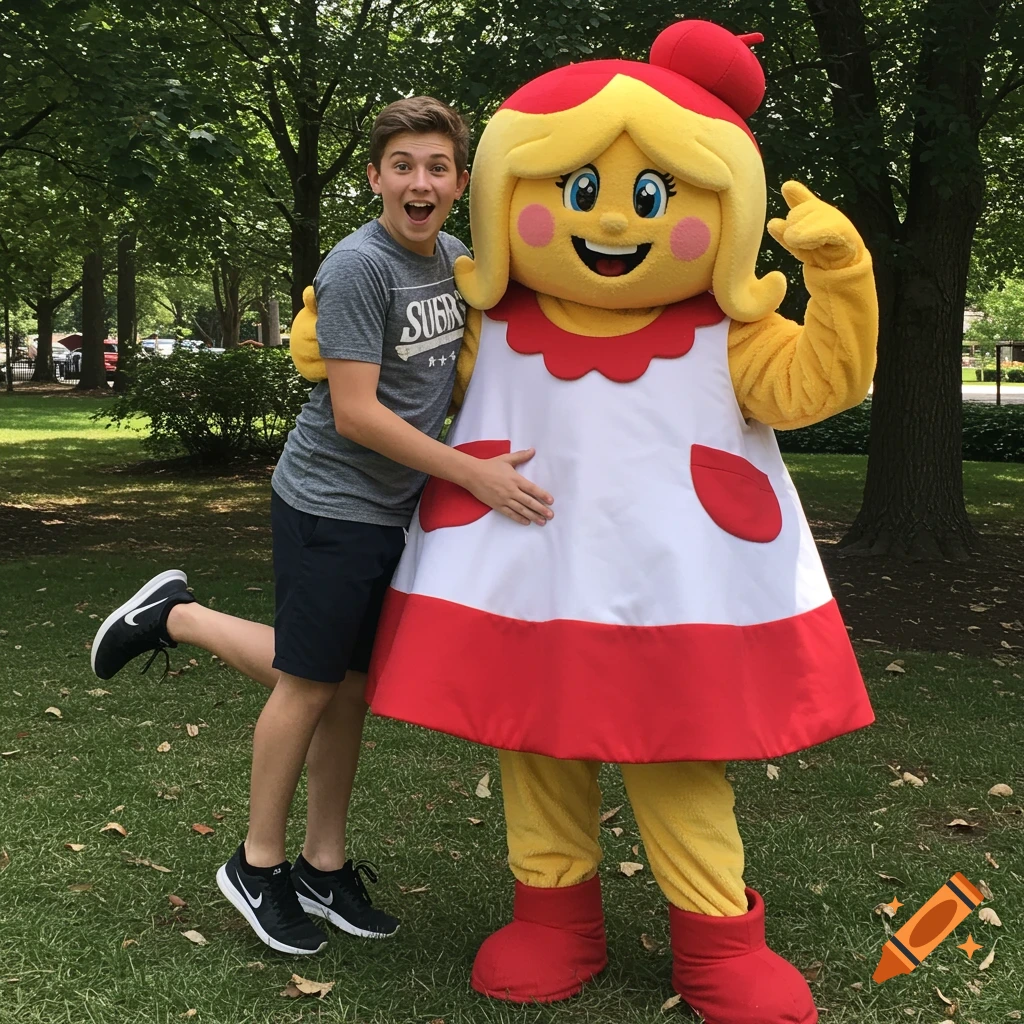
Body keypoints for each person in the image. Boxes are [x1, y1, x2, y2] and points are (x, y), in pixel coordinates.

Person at [366, 21, 877, 1023]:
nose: (609, 221)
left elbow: (818, 381)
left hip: (675, 589)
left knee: (676, 754)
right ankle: (553, 917)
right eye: (572, 192)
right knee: (537, 744)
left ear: (719, 212)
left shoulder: (732, 328)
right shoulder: (495, 320)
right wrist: (332, 344)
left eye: (652, 197)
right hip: (531, 578)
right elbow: (414, 375)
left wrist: (843, 281)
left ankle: (718, 937)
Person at [89, 95, 554, 957]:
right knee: (308, 683)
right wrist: (472, 475)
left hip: (395, 512)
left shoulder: (453, 259)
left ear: (460, 181)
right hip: (331, 504)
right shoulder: (357, 266)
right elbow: (354, 414)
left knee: (350, 690)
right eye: (404, 165)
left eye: (438, 167)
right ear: (376, 175)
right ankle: (256, 860)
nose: (421, 181)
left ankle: (322, 863)